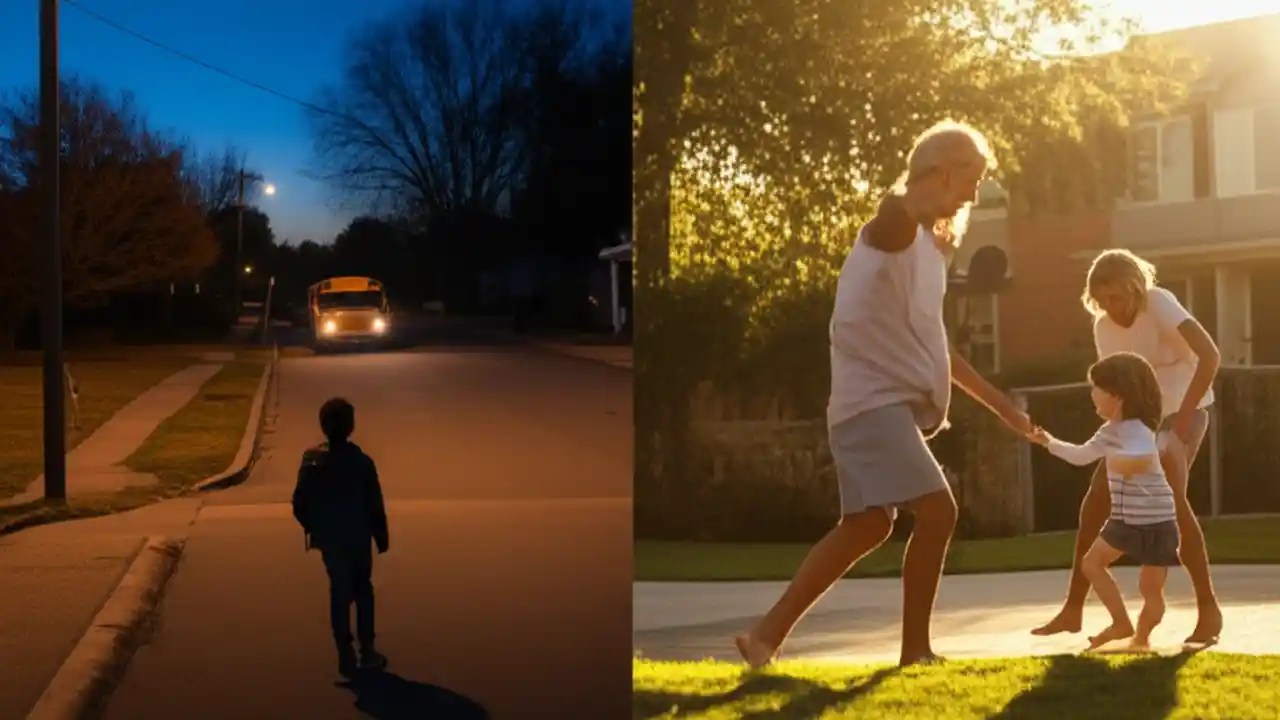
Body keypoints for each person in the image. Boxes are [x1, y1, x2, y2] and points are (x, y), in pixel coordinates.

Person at [734, 120, 1034, 669]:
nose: (975, 193)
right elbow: (891, 215)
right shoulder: (891, 228)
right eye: (972, 179)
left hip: (871, 408)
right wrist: (907, 199)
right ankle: (915, 652)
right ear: (943, 174)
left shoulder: (924, 249)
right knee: (939, 511)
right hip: (870, 406)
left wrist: (1002, 407)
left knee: (868, 525)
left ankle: (764, 638)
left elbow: (940, 346)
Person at [1031, 249, 1223, 647]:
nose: (1110, 308)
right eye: (1101, 301)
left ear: (1135, 288)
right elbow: (1118, 393)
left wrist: (1183, 419)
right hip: (1140, 422)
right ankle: (1072, 609)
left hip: (1184, 410)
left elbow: (1210, 356)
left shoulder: (1159, 303)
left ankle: (1209, 611)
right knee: (1096, 500)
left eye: (1116, 298)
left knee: (1173, 500)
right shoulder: (1104, 328)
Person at [1030, 352, 1180, 650]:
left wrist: (1123, 463)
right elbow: (1081, 456)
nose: (1092, 395)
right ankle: (1122, 623)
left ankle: (1141, 637)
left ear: (1116, 395)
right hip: (1127, 519)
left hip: (1156, 520)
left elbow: (1143, 456)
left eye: (1095, 388)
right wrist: (1048, 442)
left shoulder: (1137, 430)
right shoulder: (1110, 431)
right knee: (1091, 563)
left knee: (1150, 590)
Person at [292, 397, 391, 678]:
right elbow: (375, 503)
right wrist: (381, 535)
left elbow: (299, 503)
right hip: (358, 535)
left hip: (329, 538)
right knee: (363, 590)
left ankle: (344, 653)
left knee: (339, 591)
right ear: (351, 426)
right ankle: (367, 650)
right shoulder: (361, 462)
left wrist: (314, 526)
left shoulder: (311, 461)